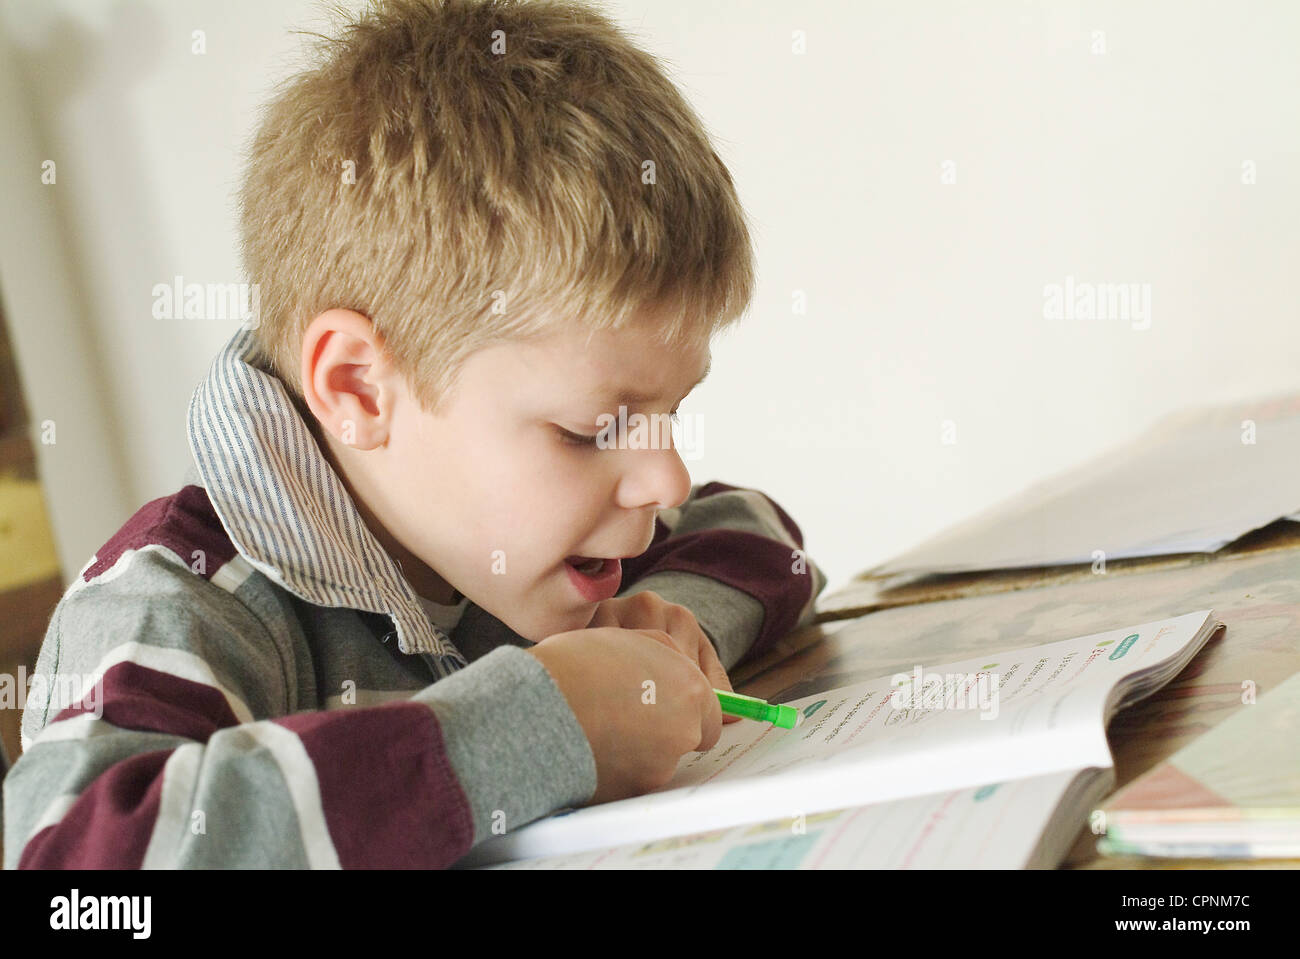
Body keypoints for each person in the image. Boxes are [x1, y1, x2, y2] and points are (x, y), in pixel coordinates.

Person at [2, 0, 826, 868]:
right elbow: (76, 872)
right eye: (591, 430)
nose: (664, 477)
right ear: (359, 385)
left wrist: (666, 636)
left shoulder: (515, 550)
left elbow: (759, 534)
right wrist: (545, 719)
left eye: (670, 412)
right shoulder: (184, 599)